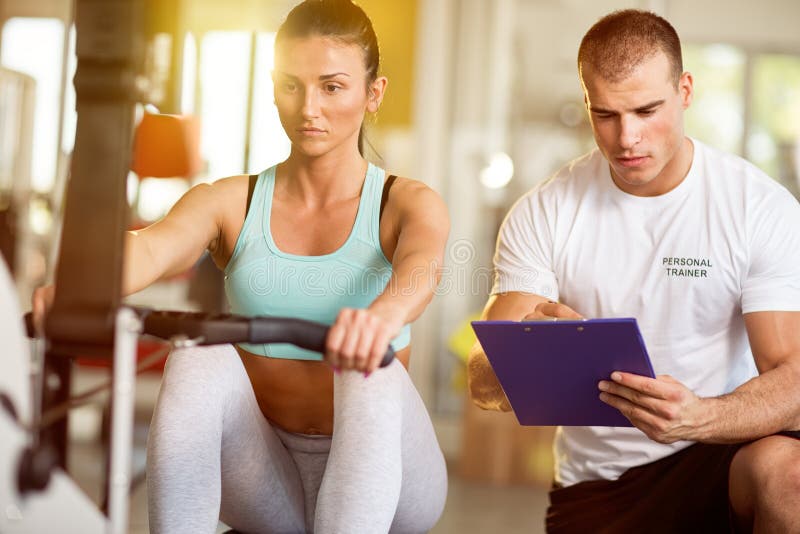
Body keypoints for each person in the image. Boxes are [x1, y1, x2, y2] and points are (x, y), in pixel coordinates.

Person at [34, 0, 449, 532]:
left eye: (332, 86)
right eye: (291, 85)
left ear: (374, 94)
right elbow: (154, 247)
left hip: (390, 478)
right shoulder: (232, 200)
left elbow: (422, 268)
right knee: (196, 356)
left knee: (370, 368)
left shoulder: (407, 201)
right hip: (263, 473)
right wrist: (79, 284)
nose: (309, 108)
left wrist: (381, 319)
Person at [467, 9, 800, 534]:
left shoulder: (757, 207)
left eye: (647, 110)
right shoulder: (545, 211)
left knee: (788, 474)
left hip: (720, 453)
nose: (627, 138)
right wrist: (525, 358)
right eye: (606, 114)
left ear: (685, 91)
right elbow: (482, 384)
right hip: (599, 481)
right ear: (587, 104)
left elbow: (794, 378)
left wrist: (700, 417)